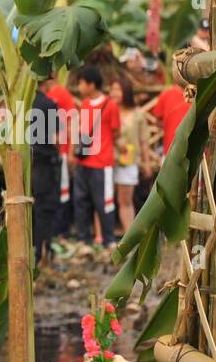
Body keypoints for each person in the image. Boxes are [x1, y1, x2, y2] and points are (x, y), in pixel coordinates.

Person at [71, 65, 119, 250]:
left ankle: (109, 240)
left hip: (102, 162)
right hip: (84, 161)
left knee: (104, 203)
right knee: (81, 201)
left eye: (81, 82)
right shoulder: (84, 104)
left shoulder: (110, 105)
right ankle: (84, 238)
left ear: (91, 84)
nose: (79, 86)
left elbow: (115, 131)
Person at [31, 79, 66, 266]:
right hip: (44, 165)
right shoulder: (47, 104)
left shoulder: (20, 101)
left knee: (28, 209)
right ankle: (42, 252)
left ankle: (28, 252)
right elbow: (56, 139)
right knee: (45, 209)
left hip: (22, 166)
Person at [43, 73, 78, 248]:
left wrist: (70, 150)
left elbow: (72, 122)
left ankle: (61, 231)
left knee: (63, 191)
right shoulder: (45, 95)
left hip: (61, 151)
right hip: (49, 154)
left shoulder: (61, 94)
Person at [110, 74, 142, 236]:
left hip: (128, 162)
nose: (114, 93)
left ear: (126, 91)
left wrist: (147, 162)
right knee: (107, 200)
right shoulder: (107, 110)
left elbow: (143, 140)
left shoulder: (137, 114)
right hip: (108, 161)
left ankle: (129, 234)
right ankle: (105, 235)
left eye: (118, 90)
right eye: (112, 90)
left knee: (126, 200)